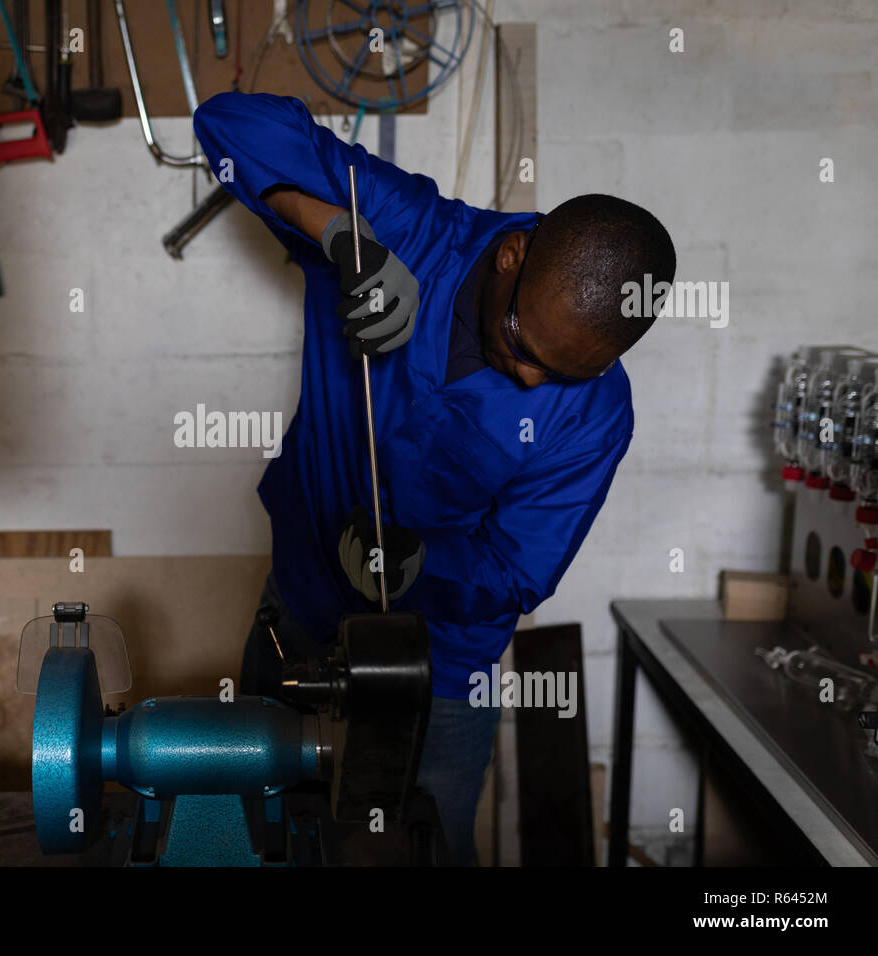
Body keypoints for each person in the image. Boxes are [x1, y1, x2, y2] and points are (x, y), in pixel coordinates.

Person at [193, 91, 675, 865]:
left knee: (419, 850)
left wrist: (419, 562)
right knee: (263, 837)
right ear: (512, 258)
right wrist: (340, 236)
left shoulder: (596, 416)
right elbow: (226, 124)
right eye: (521, 342)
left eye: (560, 373)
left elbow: (519, 567)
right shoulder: (413, 229)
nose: (526, 378)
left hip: (442, 671)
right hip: (303, 611)